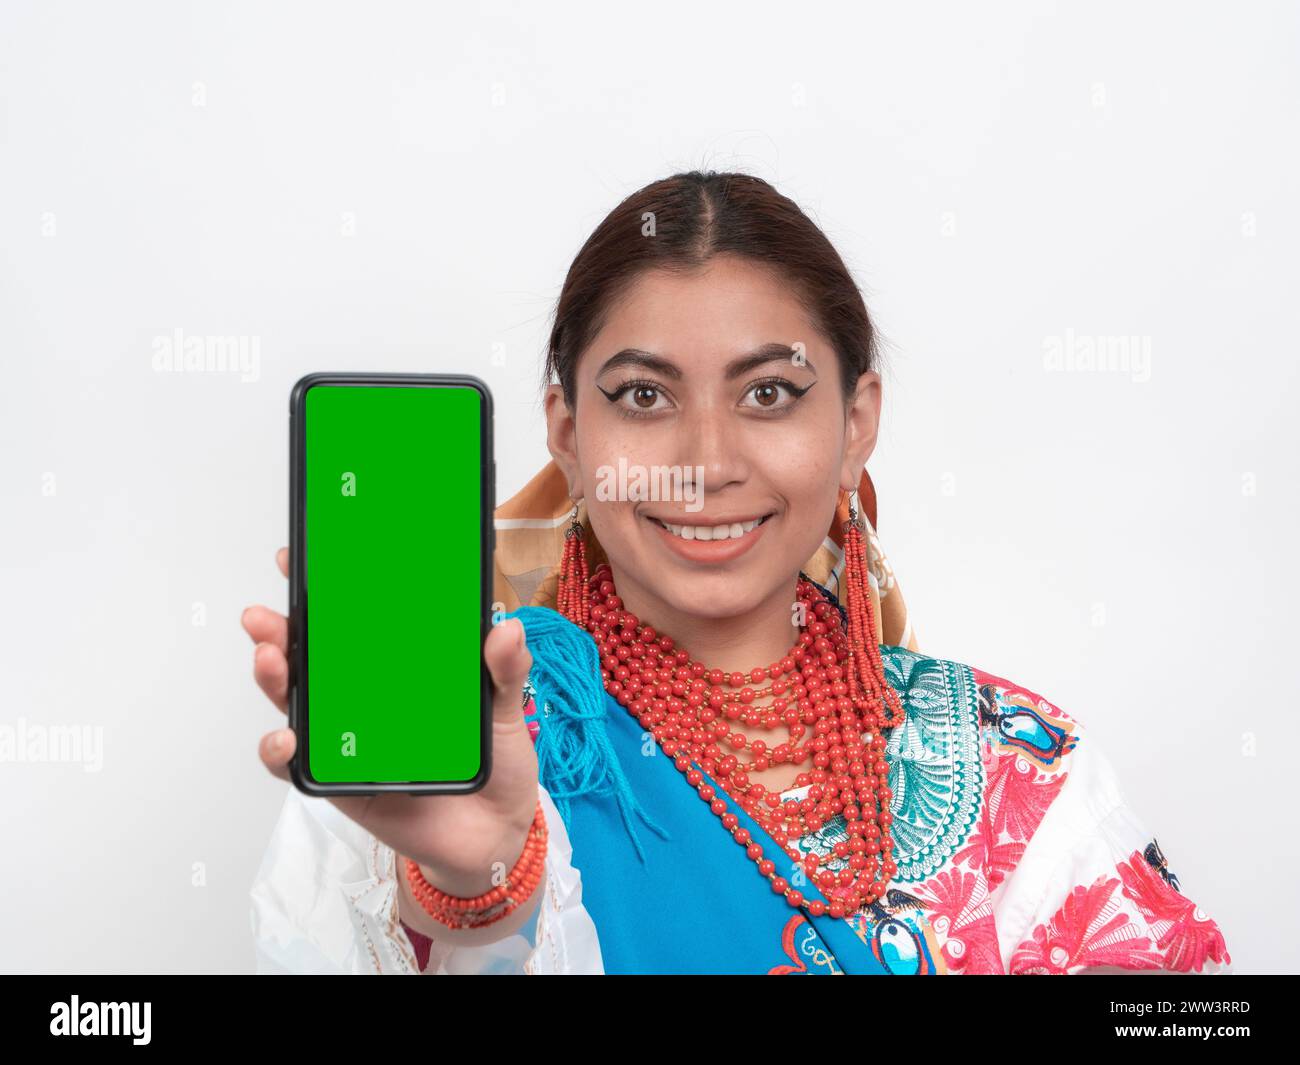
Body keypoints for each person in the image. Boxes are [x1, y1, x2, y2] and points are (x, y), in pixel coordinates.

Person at [243, 171, 1233, 975]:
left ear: (855, 424)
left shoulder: (1017, 774)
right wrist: (481, 889)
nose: (706, 461)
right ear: (567, 436)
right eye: (641, 395)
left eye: (769, 392)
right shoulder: (441, 751)